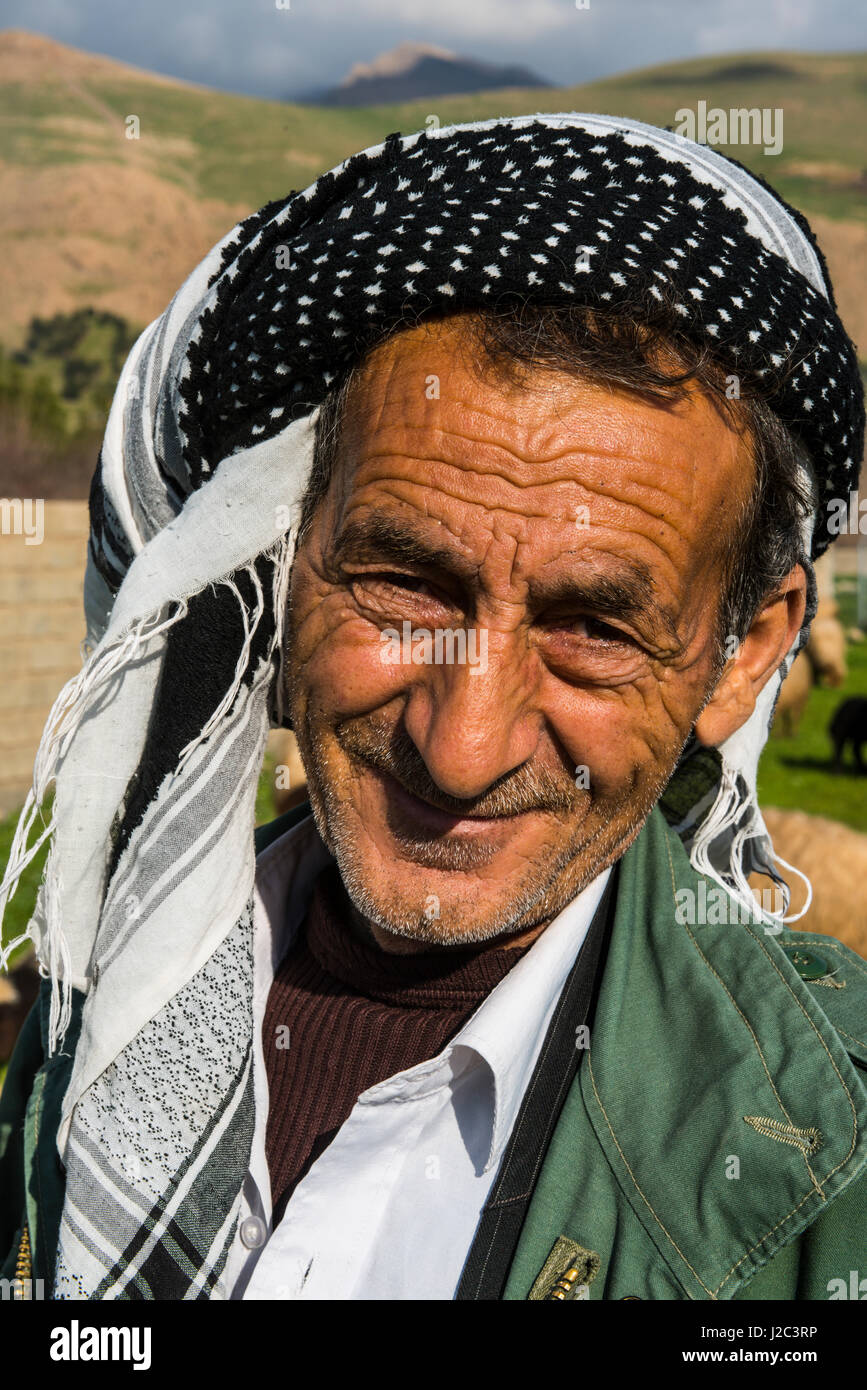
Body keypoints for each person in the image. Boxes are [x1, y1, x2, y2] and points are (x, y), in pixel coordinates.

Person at [1, 113, 864, 1302]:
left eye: (593, 629)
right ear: (281, 560)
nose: (461, 749)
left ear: (739, 652)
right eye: (406, 583)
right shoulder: (93, 1010)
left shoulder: (832, 1158)